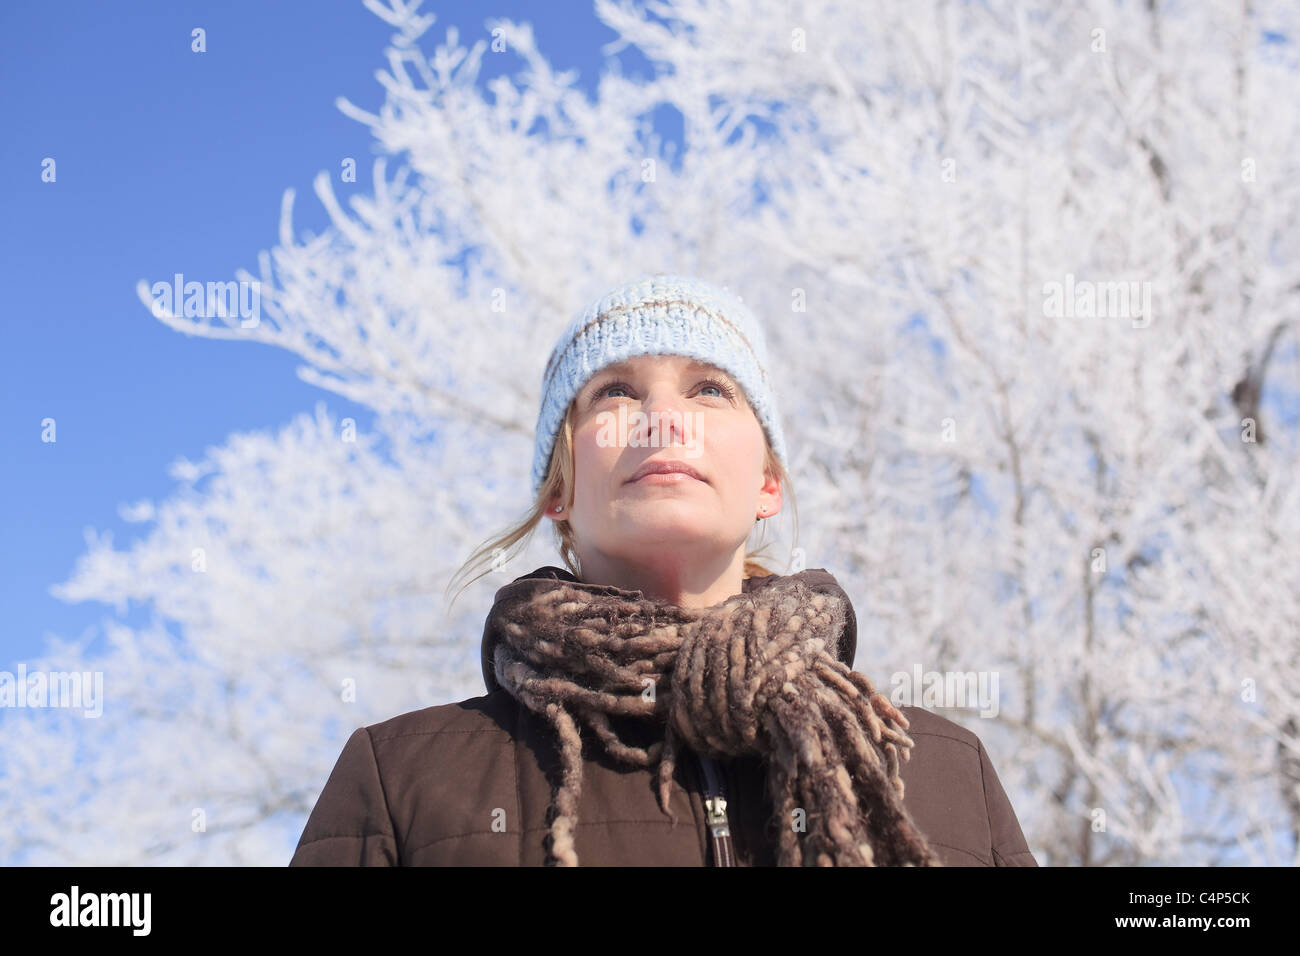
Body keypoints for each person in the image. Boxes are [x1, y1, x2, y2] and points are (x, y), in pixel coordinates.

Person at [289, 273, 1038, 867]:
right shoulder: (405, 780)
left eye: (710, 389)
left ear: (768, 483)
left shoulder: (943, 774)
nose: (662, 418)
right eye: (614, 392)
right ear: (559, 492)